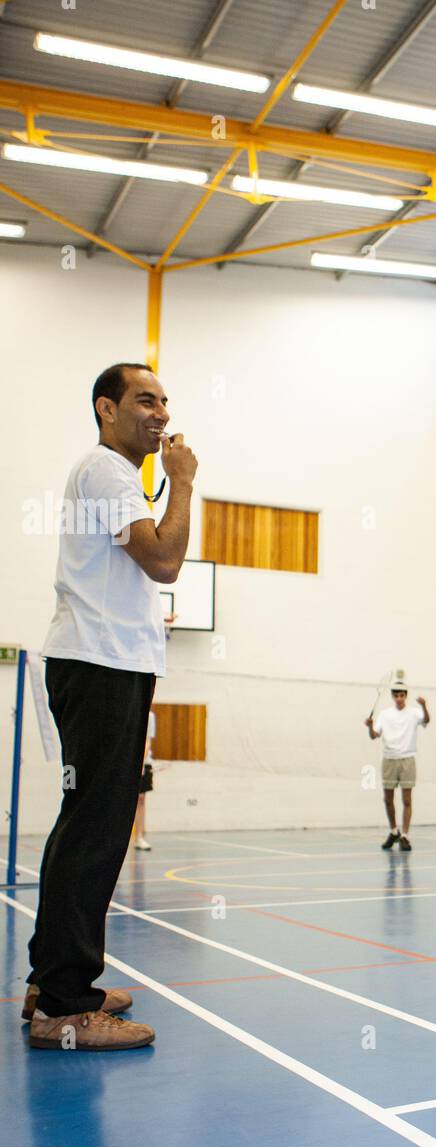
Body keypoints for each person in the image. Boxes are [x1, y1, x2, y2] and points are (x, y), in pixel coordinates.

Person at [24, 363, 198, 1051]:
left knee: (85, 826)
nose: (159, 413)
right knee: (96, 832)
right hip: (99, 664)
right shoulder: (107, 472)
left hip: (104, 661)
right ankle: (66, 1006)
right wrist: (182, 481)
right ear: (106, 408)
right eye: (144, 400)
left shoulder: (110, 476)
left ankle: (53, 982)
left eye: (165, 402)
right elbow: (163, 560)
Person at [365, 683, 429, 851]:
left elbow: (426, 720)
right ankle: (394, 831)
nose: (399, 698)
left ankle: (405, 836)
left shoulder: (415, 712)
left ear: (405, 696)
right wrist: (370, 727)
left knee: (407, 800)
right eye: (396, 696)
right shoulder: (385, 715)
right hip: (389, 760)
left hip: (407, 760)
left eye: (402, 695)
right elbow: (374, 736)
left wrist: (423, 705)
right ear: (393, 697)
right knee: (388, 799)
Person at [134, 704, 158, 851]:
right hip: (126, 762)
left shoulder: (149, 716)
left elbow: (147, 741)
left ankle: (139, 837)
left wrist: (141, 763)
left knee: (141, 799)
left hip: (144, 763)